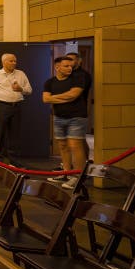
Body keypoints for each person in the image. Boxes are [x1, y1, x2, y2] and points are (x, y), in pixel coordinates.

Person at [43, 56, 87, 189]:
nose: (70, 68)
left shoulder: (78, 78)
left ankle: (77, 177)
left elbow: (73, 95)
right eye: (66, 66)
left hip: (77, 117)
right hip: (59, 117)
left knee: (75, 145)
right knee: (63, 146)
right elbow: (45, 99)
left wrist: (54, 97)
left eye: (71, 66)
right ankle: (66, 173)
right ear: (57, 67)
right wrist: (64, 98)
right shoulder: (50, 82)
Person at [0, 53, 32, 167]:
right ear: (4, 62)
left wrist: (20, 89)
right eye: (11, 61)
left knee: (14, 135)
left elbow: (29, 90)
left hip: (16, 107)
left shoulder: (21, 74)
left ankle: (14, 160)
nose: (14, 63)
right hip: (1, 106)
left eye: (15, 61)